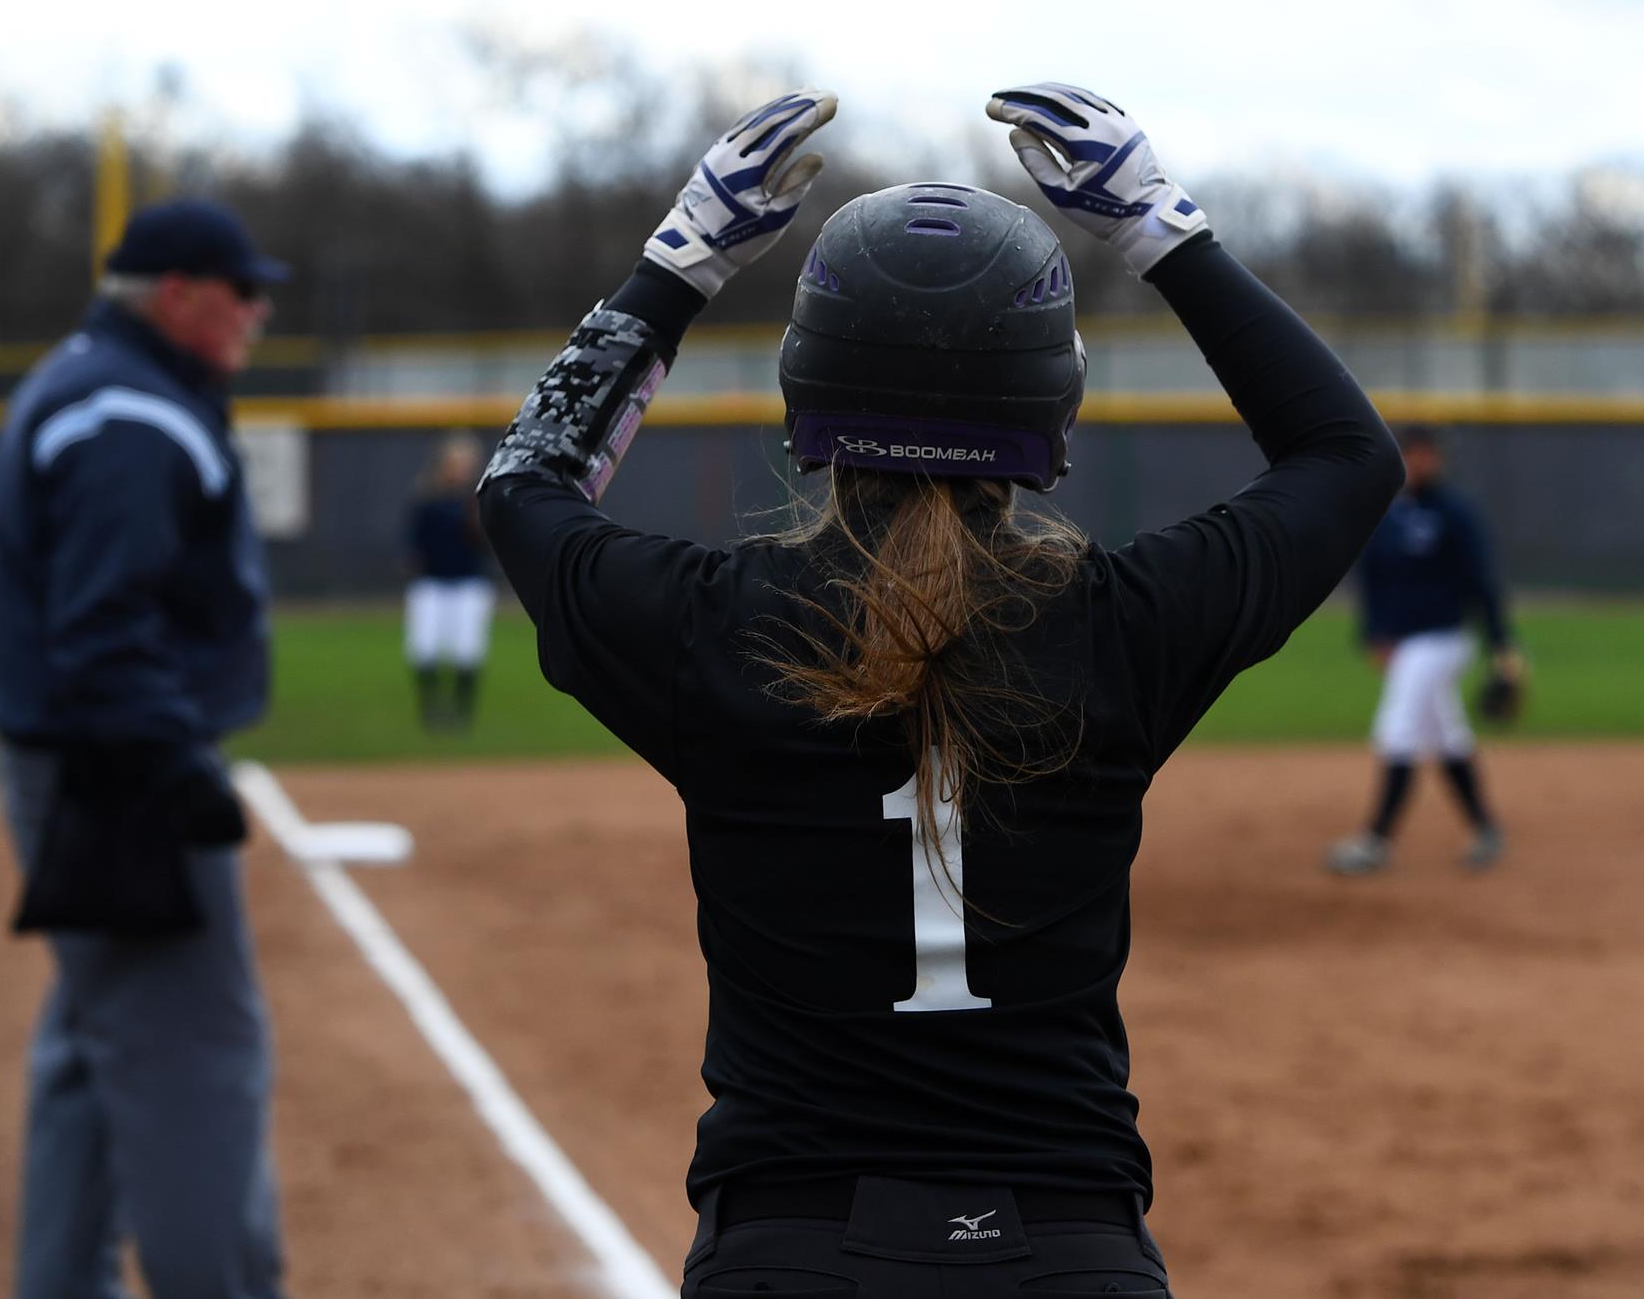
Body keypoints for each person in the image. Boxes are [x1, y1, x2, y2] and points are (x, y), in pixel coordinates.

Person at [477, 83, 1402, 1297]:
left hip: (789, 1249)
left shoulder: (709, 630)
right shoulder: (1121, 631)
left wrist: (682, 259)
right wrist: (1161, 232)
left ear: (806, 398)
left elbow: (523, 484)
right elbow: (1347, 454)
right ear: (1050, 407)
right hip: (1068, 1251)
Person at [0, 199, 288, 1298]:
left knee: (88, 1056)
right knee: (200, 1063)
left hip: (87, 763)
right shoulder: (127, 411)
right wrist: (171, 760)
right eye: (241, 290)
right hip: (118, 773)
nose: (256, 309)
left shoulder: (105, 384)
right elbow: (103, 626)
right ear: (178, 294)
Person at [1326, 423, 1523, 876]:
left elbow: (1482, 582)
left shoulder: (1456, 513)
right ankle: (1486, 828)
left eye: (1425, 454)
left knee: (1399, 732)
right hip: (1404, 642)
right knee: (1445, 736)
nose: (1419, 461)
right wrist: (1373, 633)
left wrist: (1501, 644)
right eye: (1410, 453)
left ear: (1438, 459)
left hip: (1443, 639)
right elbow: (1371, 579)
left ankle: (1376, 841)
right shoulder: (1386, 513)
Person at [403, 431, 496, 730]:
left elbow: (488, 544)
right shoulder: (428, 499)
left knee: (468, 649)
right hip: (432, 583)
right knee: (424, 648)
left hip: (468, 583)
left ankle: (461, 713)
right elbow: (414, 543)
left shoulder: (478, 500)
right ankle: (430, 710)